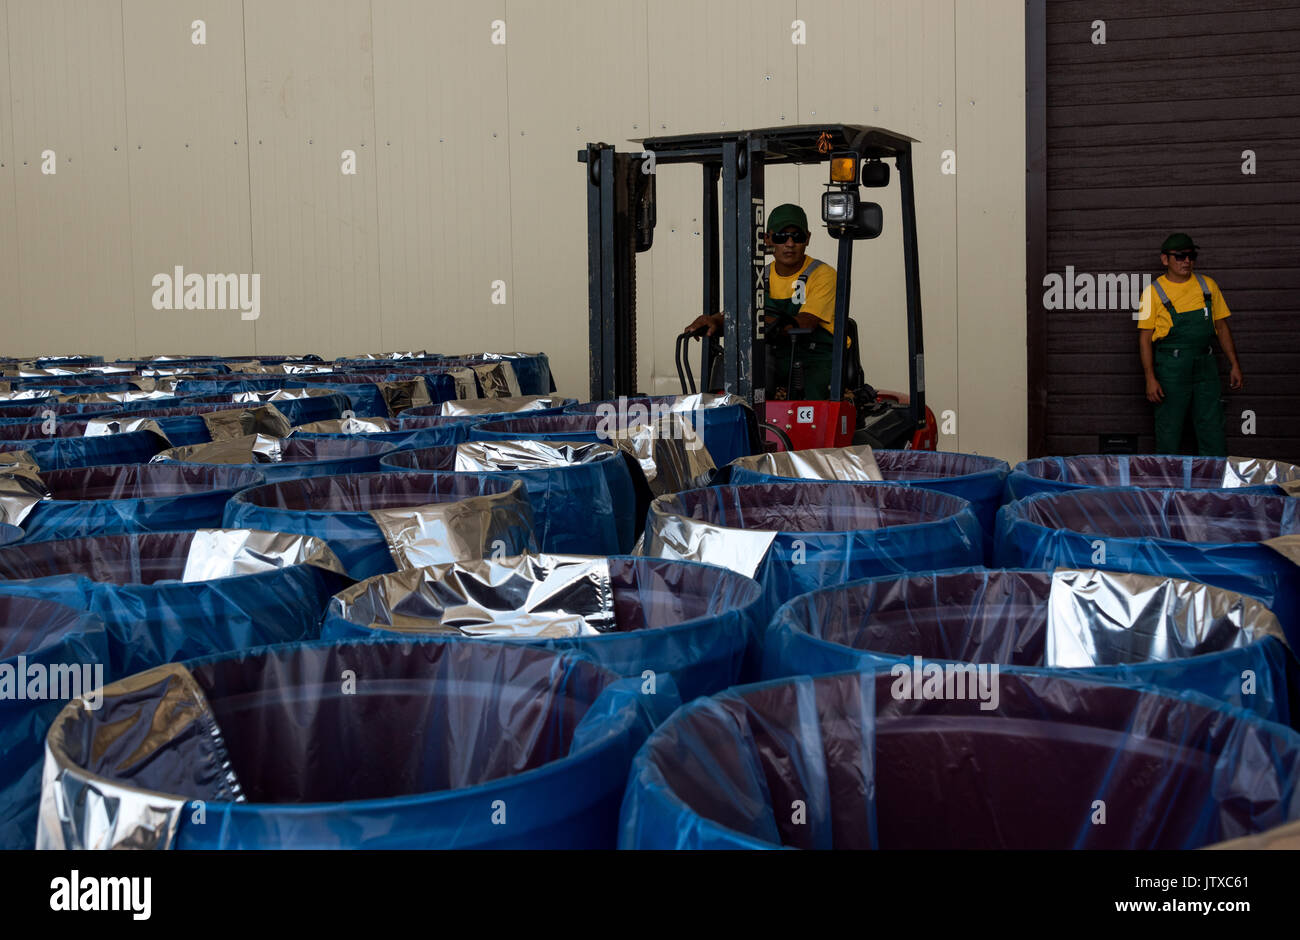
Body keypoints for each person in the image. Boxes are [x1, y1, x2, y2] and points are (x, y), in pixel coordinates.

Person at [684, 204, 838, 399]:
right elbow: (739, 312)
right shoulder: (759, 276)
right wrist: (714, 321)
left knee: (811, 398)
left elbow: (804, 323)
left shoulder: (822, 274)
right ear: (767, 239)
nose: (789, 244)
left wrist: (752, 321)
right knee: (733, 382)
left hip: (813, 359)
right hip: (773, 356)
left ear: (807, 238)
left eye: (796, 237)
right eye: (781, 237)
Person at [1136, 233, 1243, 456]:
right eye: (1180, 256)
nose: (1187, 261)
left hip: (1205, 365)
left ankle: (1214, 486)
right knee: (1169, 429)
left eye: (1191, 256)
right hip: (1171, 369)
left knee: (1212, 427)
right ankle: (1166, 488)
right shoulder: (1152, 293)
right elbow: (1145, 338)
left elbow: (1221, 327)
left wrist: (1234, 364)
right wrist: (1150, 379)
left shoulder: (1207, 286)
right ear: (1165, 260)